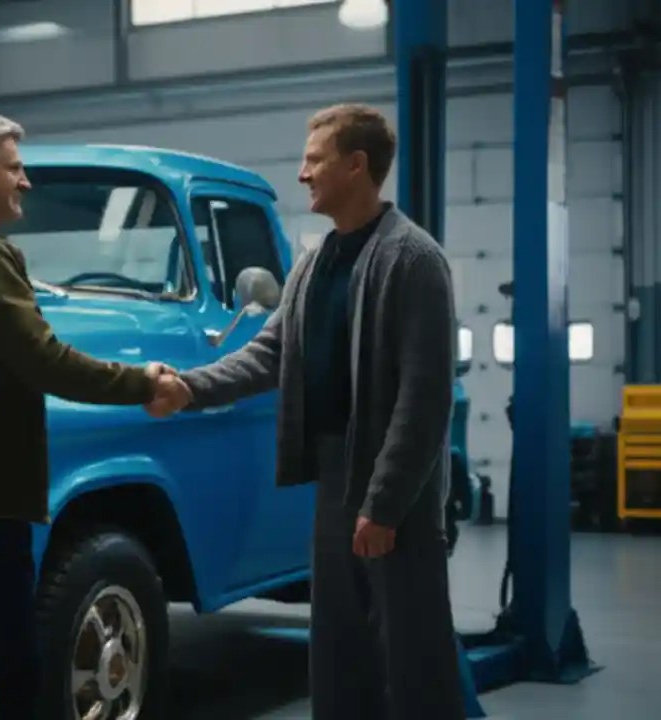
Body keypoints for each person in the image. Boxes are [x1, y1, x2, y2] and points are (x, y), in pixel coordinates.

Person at [147, 103, 467, 719]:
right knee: (339, 651)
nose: (302, 173)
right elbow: (269, 354)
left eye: (315, 160)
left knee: (413, 658)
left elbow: (424, 398)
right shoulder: (314, 265)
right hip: (333, 476)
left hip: (393, 487)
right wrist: (189, 388)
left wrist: (384, 503)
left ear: (356, 166)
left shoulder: (413, 259)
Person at [0, 110, 183, 720]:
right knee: (9, 669)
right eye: (14, 168)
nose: (25, 181)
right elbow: (44, 360)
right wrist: (141, 383)